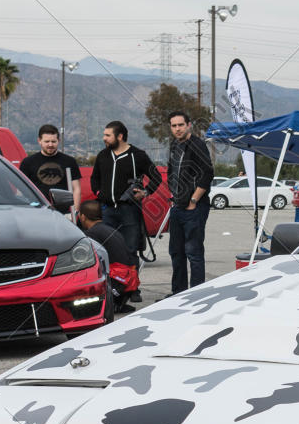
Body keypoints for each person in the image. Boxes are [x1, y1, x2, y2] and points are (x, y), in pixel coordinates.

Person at [89, 120, 160, 259]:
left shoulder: (138, 155)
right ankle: (110, 281)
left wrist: (145, 192)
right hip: (107, 211)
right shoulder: (102, 155)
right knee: (106, 250)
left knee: (129, 250)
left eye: (108, 135)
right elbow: (94, 178)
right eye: (104, 135)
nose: (104, 138)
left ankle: (130, 279)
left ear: (120, 136)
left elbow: (156, 177)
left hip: (130, 211)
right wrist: (99, 193)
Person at [166, 110, 214, 293]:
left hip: (195, 208)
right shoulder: (174, 146)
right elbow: (171, 172)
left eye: (180, 125)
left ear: (188, 125)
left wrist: (194, 199)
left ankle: (196, 294)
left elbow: (208, 173)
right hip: (177, 206)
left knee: (193, 253)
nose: (177, 129)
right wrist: (174, 195)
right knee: (176, 253)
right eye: (174, 126)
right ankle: (178, 293)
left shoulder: (197, 145)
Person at [75, 199, 140, 312]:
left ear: (83, 217)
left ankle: (111, 304)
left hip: (117, 286)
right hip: (128, 285)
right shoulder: (111, 230)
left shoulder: (91, 234)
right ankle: (118, 304)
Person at [19, 124, 81, 214]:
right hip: (36, 210)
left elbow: (76, 189)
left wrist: (74, 212)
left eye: (53, 141)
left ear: (58, 141)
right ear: (39, 141)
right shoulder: (28, 162)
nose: (50, 145)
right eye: (47, 141)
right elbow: (21, 189)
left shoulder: (69, 161)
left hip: (63, 212)